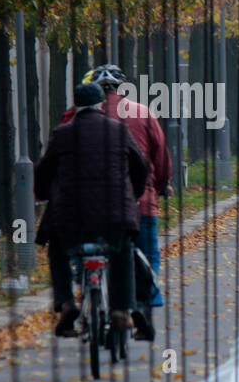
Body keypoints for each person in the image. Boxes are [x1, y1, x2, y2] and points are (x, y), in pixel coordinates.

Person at [59, 64, 170, 340]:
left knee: (77, 252)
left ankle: (80, 293)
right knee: (146, 255)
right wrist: (158, 186)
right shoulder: (143, 113)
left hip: (81, 208)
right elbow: (159, 157)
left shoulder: (73, 118)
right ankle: (143, 305)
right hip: (137, 202)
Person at [36, 82, 149, 338]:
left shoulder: (62, 134)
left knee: (58, 251)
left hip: (70, 219)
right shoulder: (119, 131)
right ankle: (121, 309)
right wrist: (135, 193)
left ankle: (65, 303)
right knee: (123, 253)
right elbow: (140, 166)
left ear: (75, 106)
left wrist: (43, 194)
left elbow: (43, 171)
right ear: (100, 105)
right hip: (115, 217)